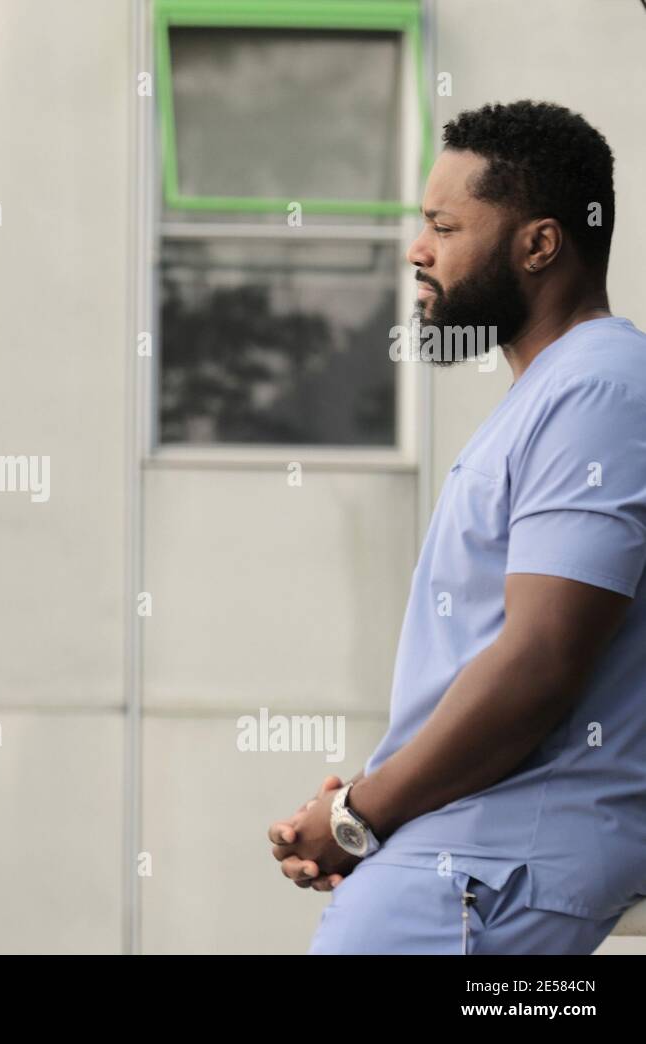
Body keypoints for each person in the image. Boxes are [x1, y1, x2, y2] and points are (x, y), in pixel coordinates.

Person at [267, 100, 646, 954]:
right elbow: (484, 661)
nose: (417, 250)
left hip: (494, 867)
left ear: (539, 244)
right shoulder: (550, 396)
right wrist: (356, 805)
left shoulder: (599, 388)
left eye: (444, 225)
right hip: (465, 858)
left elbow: (541, 662)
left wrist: (360, 816)